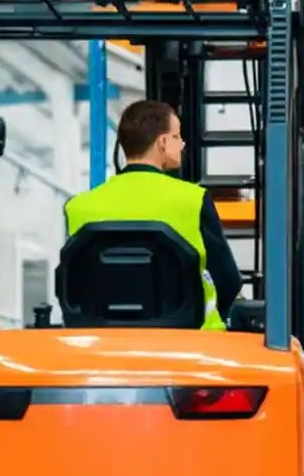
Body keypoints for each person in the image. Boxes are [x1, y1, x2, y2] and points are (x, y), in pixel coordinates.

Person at [63, 99, 242, 329]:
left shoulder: (78, 207)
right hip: (190, 347)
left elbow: (74, 284)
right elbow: (226, 281)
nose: (183, 144)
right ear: (163, 142)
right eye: (177, 137)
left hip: (105, 345)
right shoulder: (193, 199)